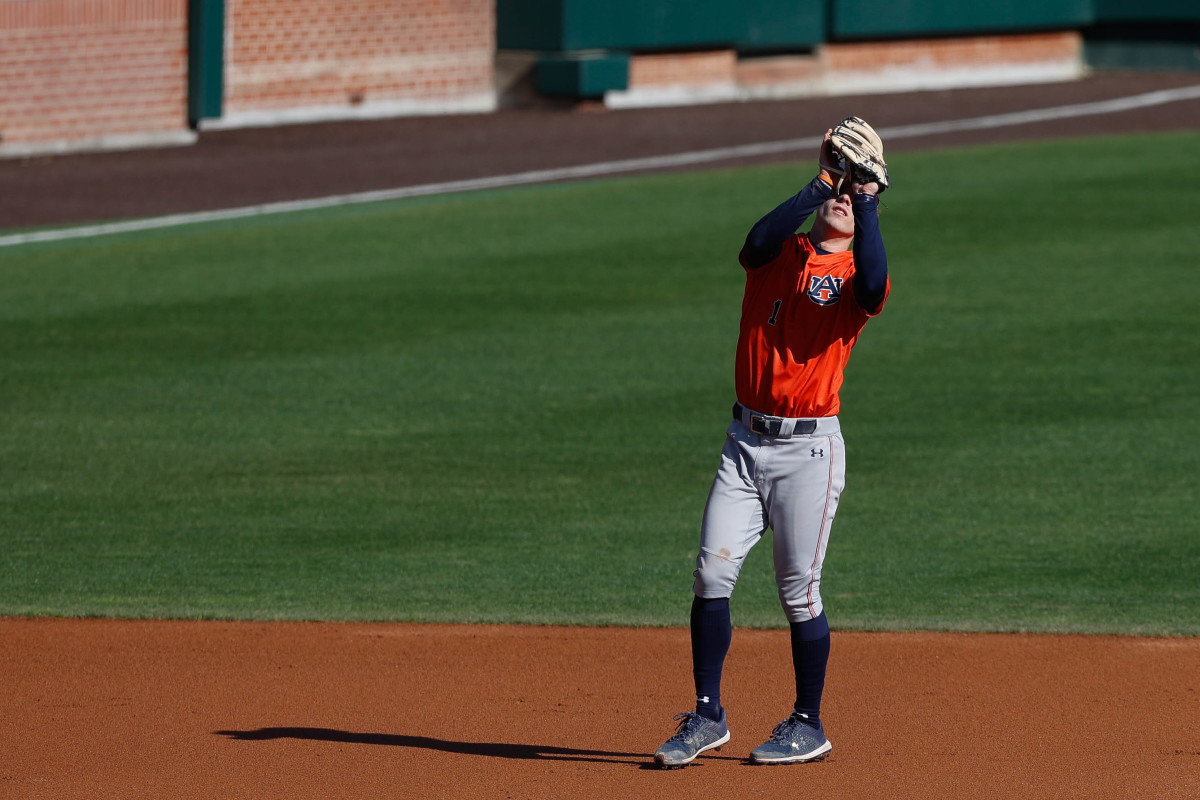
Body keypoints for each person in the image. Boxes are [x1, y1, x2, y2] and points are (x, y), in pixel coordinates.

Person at [654, 126, 890, 768]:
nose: (840, 198)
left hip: (808, 454)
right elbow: (755, 240)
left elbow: (874, 281)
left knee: (798, 593)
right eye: (837, 189)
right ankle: (707, 716)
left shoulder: (854, 276)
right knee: (711, 572)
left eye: (849, 198)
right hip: (743, 443)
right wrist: (824, 181)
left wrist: (866, 201)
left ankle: (808, 723)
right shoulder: (778, 255)